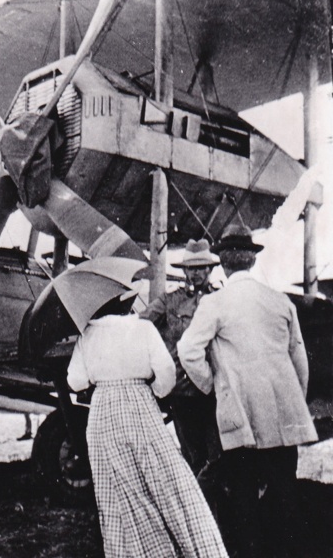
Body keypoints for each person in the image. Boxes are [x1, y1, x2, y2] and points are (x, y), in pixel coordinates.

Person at [177, 224, 318, 558]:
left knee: (243, 499)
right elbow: (299, 358)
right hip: (283, 415)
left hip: (240, 415)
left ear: (223, 265)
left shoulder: (215, 303)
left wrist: (212, 385)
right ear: (252, 261)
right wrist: (293, 399)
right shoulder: (280, 301)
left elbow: (187, 350)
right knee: (286, 493)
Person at [68, 295, 227, 558]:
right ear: (125, 305)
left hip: (103, 411)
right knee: (164, 478)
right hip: (139, 403)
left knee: (116, 490)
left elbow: (76, 380)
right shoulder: (142, 328)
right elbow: (166, 372)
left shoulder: (88, 334)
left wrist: (100, 378)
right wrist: (154, 390)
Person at [140, 239, 222, 503]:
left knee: (219, 456)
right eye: (191, 268)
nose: (196, 273)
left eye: (202, 268)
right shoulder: (170, 300)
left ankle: (219, 514)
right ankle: (196, 511)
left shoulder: (220, 299)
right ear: (184, 271)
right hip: (183, 392)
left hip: (216, 391)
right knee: (192, 456)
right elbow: (141, 324)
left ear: (210, 270)